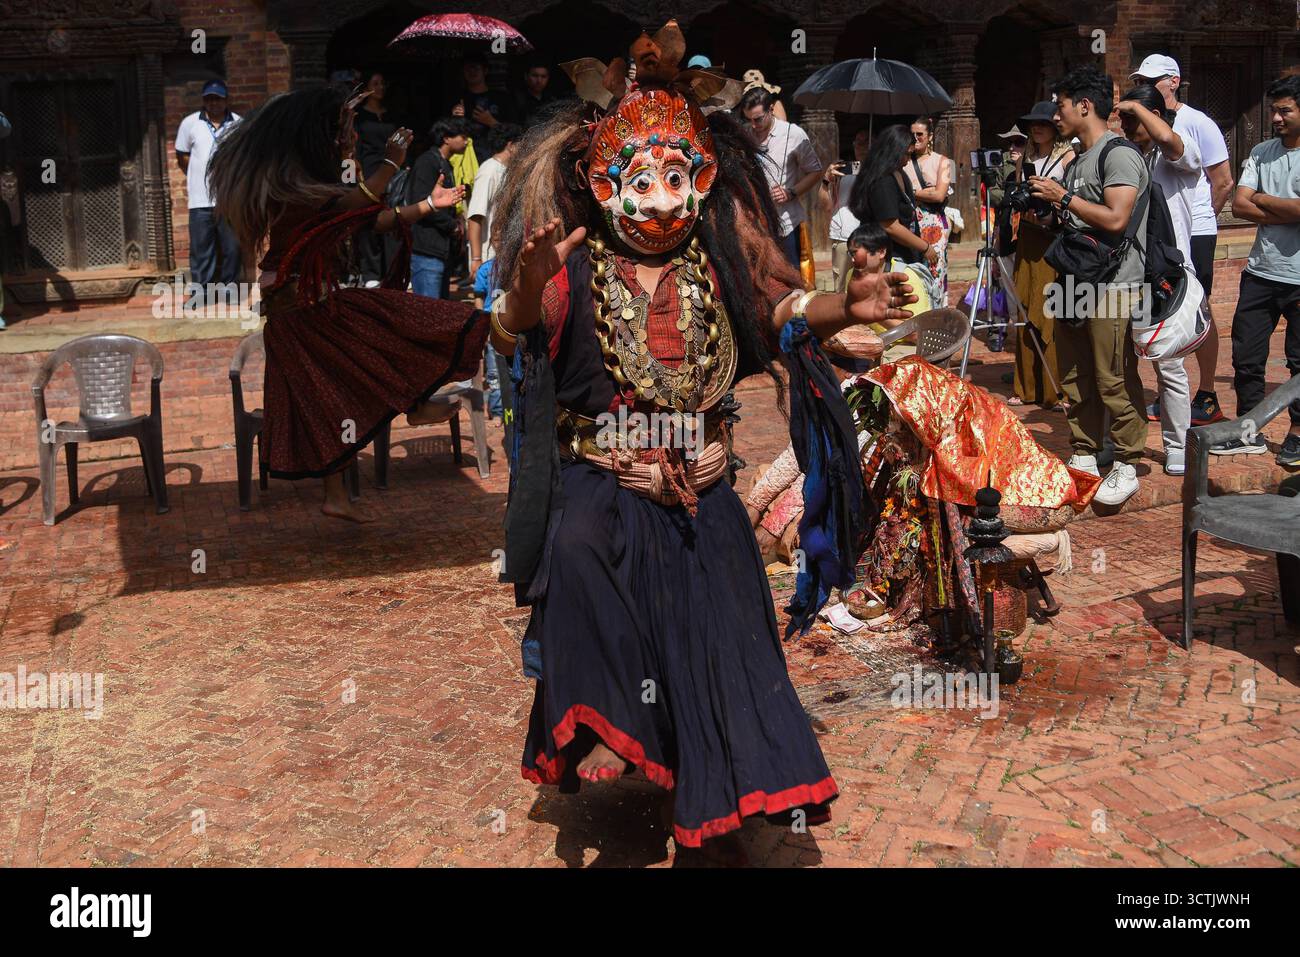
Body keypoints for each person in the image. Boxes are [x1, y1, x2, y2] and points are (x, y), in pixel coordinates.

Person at [490, 25, 916, 861]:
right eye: (640, 181)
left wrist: (843, 305)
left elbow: (782, 315)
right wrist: (529, 283)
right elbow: (513, 331)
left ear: (705, 179)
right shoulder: (574, 268)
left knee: (728, 622)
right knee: (578, 553)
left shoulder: (715, 265)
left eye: (677, 177)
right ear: (600, 182)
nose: (659, 200)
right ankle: (617, 724)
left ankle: (744, 793)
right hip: (605, 480)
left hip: (704, 481)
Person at [207, 87, 481, 523]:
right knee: (386, 328)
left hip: (306, 308)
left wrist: (430, 204)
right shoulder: (293, 187)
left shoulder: (313, 182)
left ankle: (338, 493)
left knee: (333, 397)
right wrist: (391, 161)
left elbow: (373, 219)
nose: (350, 138)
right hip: (298, 309)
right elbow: (358, 203)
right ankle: (414, 403)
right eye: (345, 130)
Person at [1028, 65, 1150, 507]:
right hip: (1073, 278)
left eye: (1060, 105)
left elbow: (1117, 218)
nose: (1055, 114)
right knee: (1075, 373)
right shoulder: (1077, 158)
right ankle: (1085, 450)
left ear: (1085, 105)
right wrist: (1048, 207)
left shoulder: (1118, 154)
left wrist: (1062, 197)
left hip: (1114, 283)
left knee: (1111, 374)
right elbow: (1079, 217)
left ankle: (1126, 461)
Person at [1131, 55, 1234, 426]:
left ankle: (1206, 393)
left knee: (1195, 310)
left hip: (1197, 229)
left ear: (1173, 81)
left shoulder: (1195, 122)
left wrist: (1199, 216)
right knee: (1163, 311)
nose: (1147, 84)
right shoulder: (1140, 130)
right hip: (1163, 234)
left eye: (1153, 79)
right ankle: (1170, 393)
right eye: (1141, 79)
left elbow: (1222, 181)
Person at [1212, 73, 1300, 465]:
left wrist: (1263, 200)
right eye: (1274, 111)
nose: (1277, 118)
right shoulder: (1262, 152)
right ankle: (1249, 429)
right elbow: (1240, 206)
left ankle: (1297, 434)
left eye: (1285, 110)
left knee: (1299, 363)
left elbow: (1254, 203)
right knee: (1247, 357)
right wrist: (1282, 207)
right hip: (1261, 271)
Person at [1117, 84, 1201, 476]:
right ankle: (1122, 441)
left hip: (1168, 273)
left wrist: (1137, 105)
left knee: (1169, 366)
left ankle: (1177, 445)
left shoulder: (1174, 154)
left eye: (1133, 117)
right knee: (1122, 362)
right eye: (1124, 118)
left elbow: (1168, 138)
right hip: (1129, 272)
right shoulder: (1128, 158)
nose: (1127, 124)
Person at [1009, 101, 1073, 410]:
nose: (1036, 128)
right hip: (1028, 239)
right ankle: (1026, 387)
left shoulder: (1068, 157)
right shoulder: (1025, 158)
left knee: (1048, 311)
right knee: (1025, 308)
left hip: (1053, 239)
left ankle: (1055, 389)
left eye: (1043, 123)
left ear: (1055, 127)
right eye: (1032, 123)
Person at [467, 122, 522, 420]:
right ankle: (500, 406)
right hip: (489, 259)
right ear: (510, 144)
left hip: (504, 260)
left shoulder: (508, 173)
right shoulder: (489, 170)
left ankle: (508, 407)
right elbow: (475, 217)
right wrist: (476, 257)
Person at [739, 86, 823, 269]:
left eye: (758, 119)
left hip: (787, 223)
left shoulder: (793, 134)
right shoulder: (745, 135)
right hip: (755, 224)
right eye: (749, 120)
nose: (753, 125)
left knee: (793, 279)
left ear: (771, 110)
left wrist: (791, 192)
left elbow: (816, 171)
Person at [175, 80, 242, 301]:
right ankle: (200, 294)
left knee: (232, 248)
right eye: (209, 99)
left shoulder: (238, 124)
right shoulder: (190, 123)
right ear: (204, 101)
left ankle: (229, 292)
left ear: (226, 100)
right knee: (201, 250)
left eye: (218, 98)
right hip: (200, 200)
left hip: (228, 199)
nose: (213, 103)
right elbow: (183, 157)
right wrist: (200, 178)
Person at [849, 124, 939, 278]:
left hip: (905, 254)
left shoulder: (899, 173)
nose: (909, 160)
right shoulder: (882, 180)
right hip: (888, 256)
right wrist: (925, 248)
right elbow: (890, 226)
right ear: (895, 152)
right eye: (907, 154)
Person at [352, 70, 404, 287]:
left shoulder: (391, 114)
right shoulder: (359, 118)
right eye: (376, 83)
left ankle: (393, 270)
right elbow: (352, 149)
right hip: (370, 171)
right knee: (369, 220)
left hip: (393, 170)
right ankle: (371, 273)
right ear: (366, 88)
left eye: (383, 83)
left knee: (394, 218)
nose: (381, 87)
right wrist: (358, 175)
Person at [409, 118, 468, 302]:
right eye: (462, 136)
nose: (466, 141)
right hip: (427, 250)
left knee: (439, 312)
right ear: (446, 138)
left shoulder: (446, 164)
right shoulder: (428, 162)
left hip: (442, 251)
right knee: (427, 312)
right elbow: (419, 203)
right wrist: (452, 225)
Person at [903, 116, 953, 302]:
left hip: (934, 222)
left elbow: (939, 195)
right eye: (912, 134)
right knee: (911, 268)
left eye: (920, 134)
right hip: (908, 220)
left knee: (935, 269)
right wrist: (926, 191)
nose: (915, 138)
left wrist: (912, 192)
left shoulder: (942, 161)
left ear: (929, 136)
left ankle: (937, 311)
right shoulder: (903, 161)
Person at [821, 127, 870, 290]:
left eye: (865, 142)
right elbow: (825, 205)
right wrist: (826, 181)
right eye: (857, 142)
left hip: (869, 236)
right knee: (841, 288)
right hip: (843, 236)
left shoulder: (879, 170)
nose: (860, 146)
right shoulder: (844, 169)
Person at [514, 58, 556, 129]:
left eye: (543, 76)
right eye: (535, 76)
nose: (539, 81)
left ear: (548, 78)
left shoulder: (551, 100)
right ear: (526, 76)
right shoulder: (516, 100)